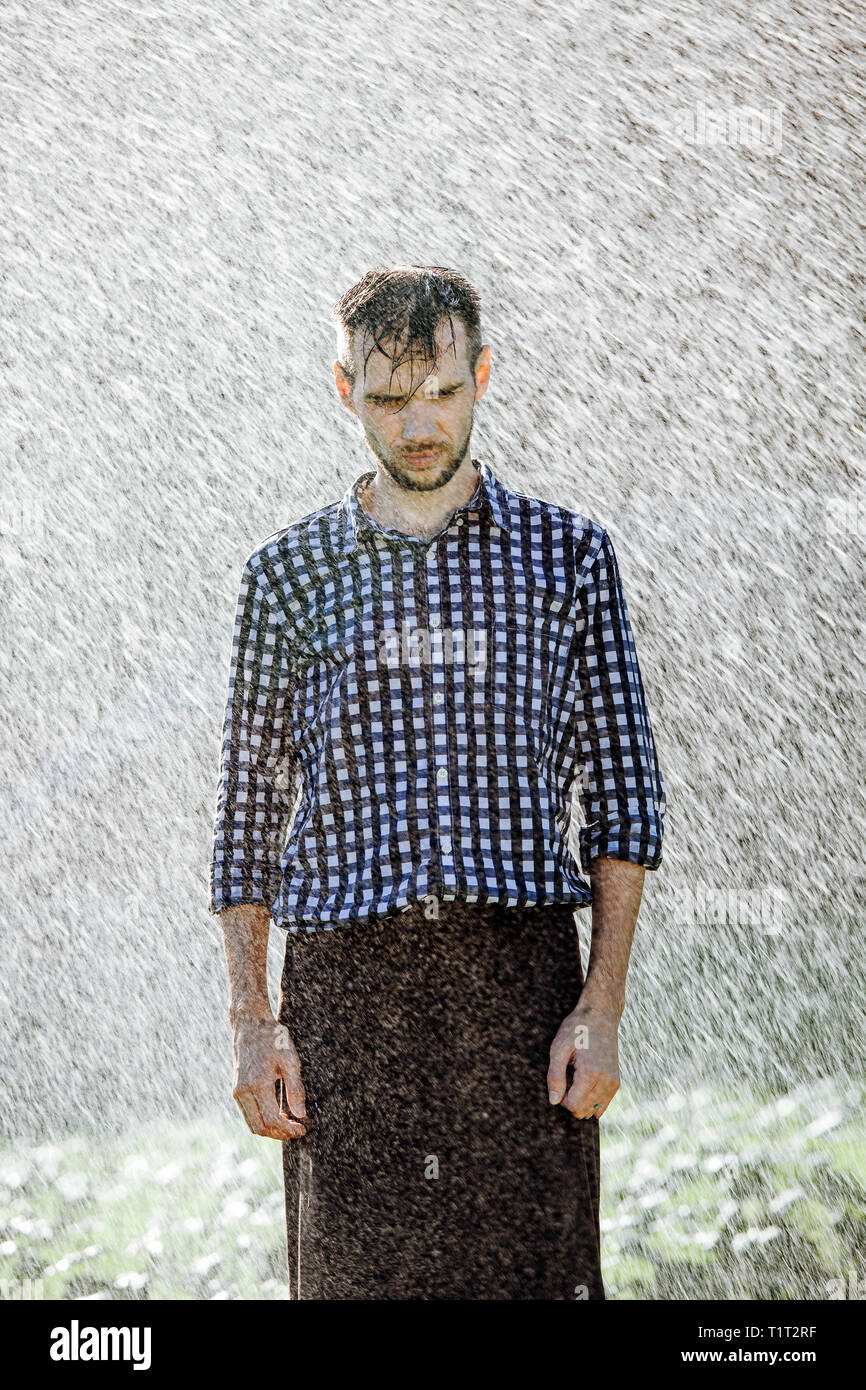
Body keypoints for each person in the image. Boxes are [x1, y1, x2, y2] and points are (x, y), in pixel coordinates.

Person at [209, 264, 666, 1300]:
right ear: (342, 390)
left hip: (519, 995)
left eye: (442, 392)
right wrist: (251, 1022)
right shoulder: (286, 575)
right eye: (386, 397)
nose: (418, 423)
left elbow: (627, 796)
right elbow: (244, 819)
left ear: (483, 376)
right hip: (342, 1003)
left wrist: (601, 1002)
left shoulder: (568, 557)